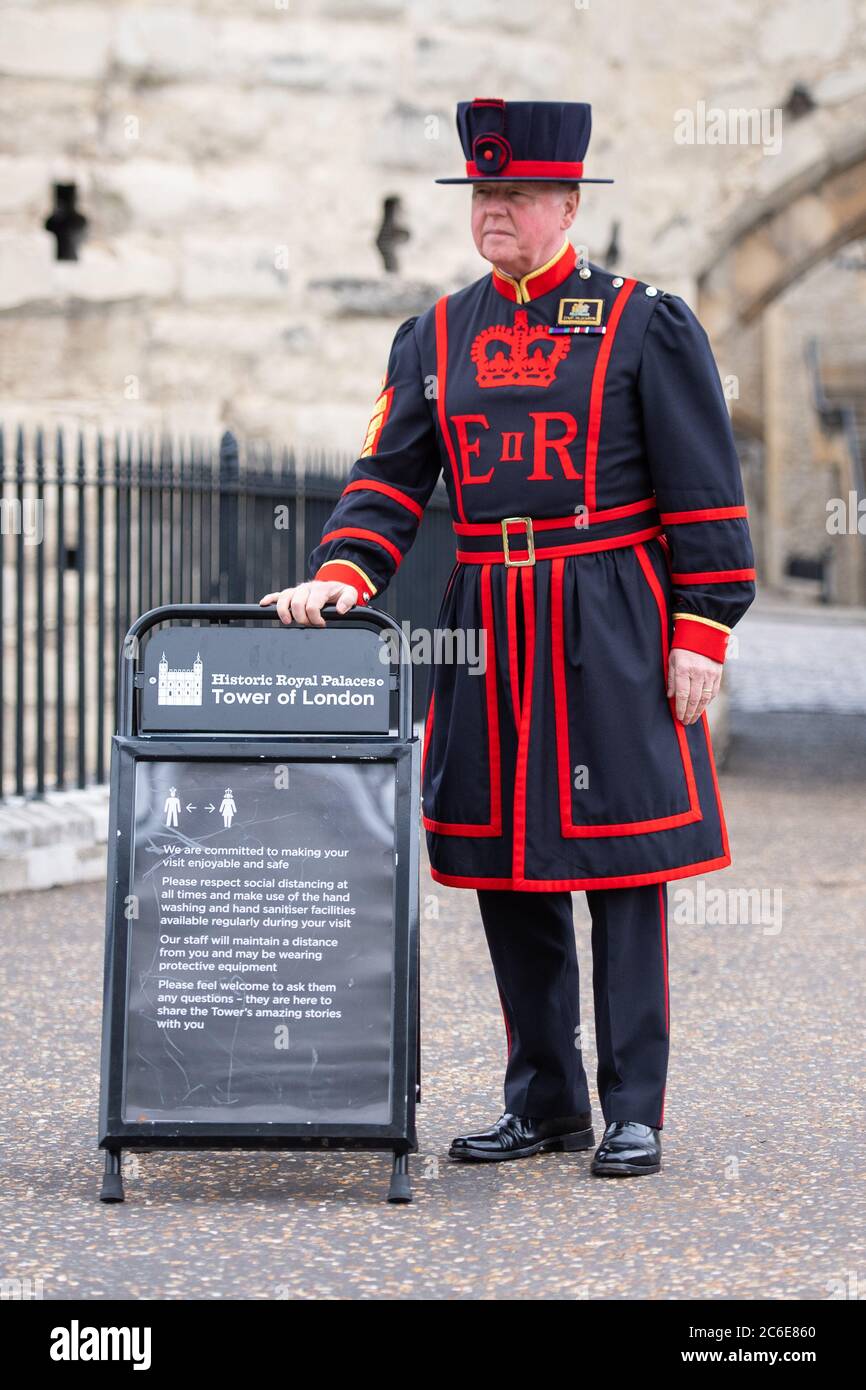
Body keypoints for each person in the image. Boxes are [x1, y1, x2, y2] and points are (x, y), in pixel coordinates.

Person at [259, 99, 756, 1177]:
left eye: (516, 195)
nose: (494, 210)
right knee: (505, 867)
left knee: (622, 867)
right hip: (484, 619)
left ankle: (634, 1106)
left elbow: (704, 494)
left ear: (565, 204)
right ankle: (544, 1099)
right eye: (483, 194)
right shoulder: (434, 336)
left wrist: (702, 626)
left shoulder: (642, 321)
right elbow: (388, 480)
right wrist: (342, 574)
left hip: (612, 613)